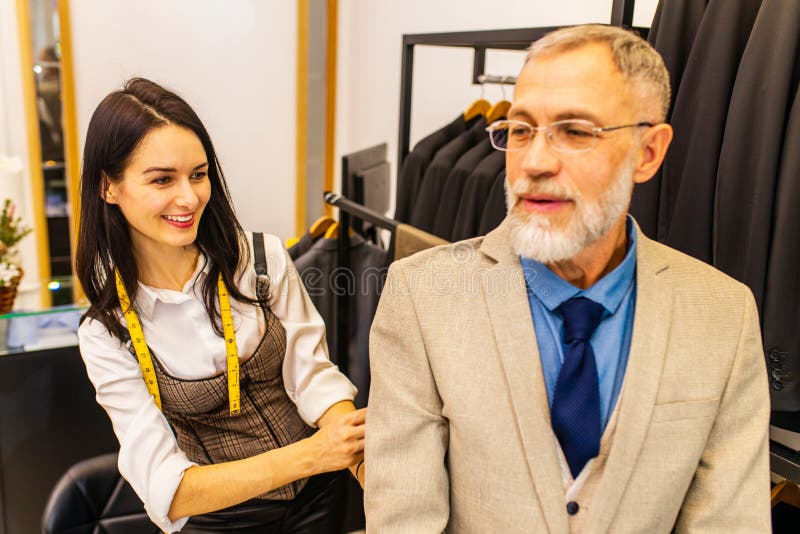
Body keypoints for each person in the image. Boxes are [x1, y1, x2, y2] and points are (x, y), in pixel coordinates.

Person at [365, 25, 770, 533]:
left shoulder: (724, 314)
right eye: (520, 130)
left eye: (576, 131)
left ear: (648, 152)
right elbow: (404, 519)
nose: (533, 163)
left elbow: (730, 521)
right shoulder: (422, 296)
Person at [76, 78, 366, 533]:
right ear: (107, 186)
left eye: (198, 174)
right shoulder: (107, 333)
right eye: (162, 179)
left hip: (323, 496)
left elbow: (313, 376)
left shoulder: (262, 260)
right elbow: (170, 491)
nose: (189, 197)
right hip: (223, 521)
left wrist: (361, 461)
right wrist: (314, 453)